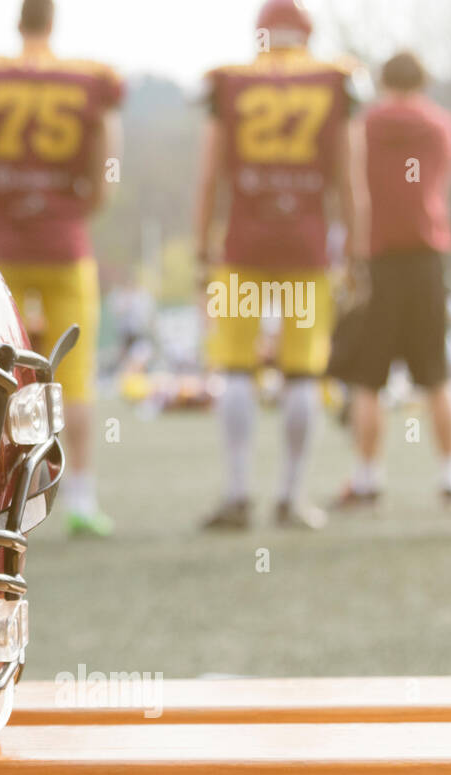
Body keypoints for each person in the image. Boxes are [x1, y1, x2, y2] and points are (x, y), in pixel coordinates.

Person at [0, 0, 123, 537]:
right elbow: (106, 162)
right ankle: (83, 500)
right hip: (64, 243)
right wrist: (79, 206)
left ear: (18, 21)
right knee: (76, 378)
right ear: (53, 21)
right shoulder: (90, 79)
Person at [195, 0, 360, 530]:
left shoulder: (231, 82)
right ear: (306, 35)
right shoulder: (335, 80)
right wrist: (355, 248)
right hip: (308, 246)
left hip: (243, 244)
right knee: (303, 371)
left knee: (237, 366)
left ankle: (239, 493)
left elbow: (210, 176)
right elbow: (347, 179)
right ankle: (291, 496)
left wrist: (202, 247)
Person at [330, 51, 451, 512]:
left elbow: (346, 182)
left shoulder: (363, 126)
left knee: (368, 380)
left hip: (378, 259)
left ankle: (366, 480)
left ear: (384, 81)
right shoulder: (442, 126)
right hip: (427, 259)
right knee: (436, 375)